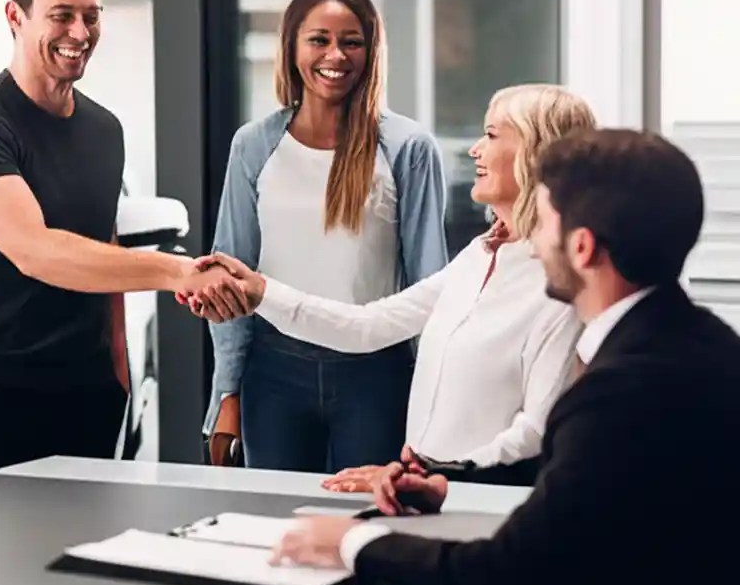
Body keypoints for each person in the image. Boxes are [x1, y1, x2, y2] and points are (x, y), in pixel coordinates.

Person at [268, 129, 740, 585]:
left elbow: (509, 573)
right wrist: (450, 485)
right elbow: (594, 496)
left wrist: (354, 541)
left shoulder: (618, 392)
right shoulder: (710, 346)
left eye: (545, 221)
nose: (533, 241)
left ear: (582, 247)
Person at [0, 0, 236, 484]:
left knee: (79, 554)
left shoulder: (103, 129)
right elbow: (36, 251)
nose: (80, 32)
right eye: (61, 15)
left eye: (91, 16)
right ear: (15, 17)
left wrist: (118, 372)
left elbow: (103, 243)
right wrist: (176, 271)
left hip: (83, 389)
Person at [189, 85, 594, 482]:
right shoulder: (479, 256)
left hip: (485, 506)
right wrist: (261, 292)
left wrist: (428, 474)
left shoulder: (560, 287)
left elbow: (537, 434)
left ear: (538, 154)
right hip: (430, 497)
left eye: (490, 136)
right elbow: (369, 326)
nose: (475, 150)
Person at [202, 0, 449, 474]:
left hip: (376, 376)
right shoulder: (254, 145)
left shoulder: (407, 147)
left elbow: (430, 287)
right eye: (319, 39)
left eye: (351, 41)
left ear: (370, 51)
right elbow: (231, 276)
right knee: (271, 533)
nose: (335, 54)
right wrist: (227, 395)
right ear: (293, 47)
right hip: (273, 377)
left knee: (367, 530)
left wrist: (432, 409)